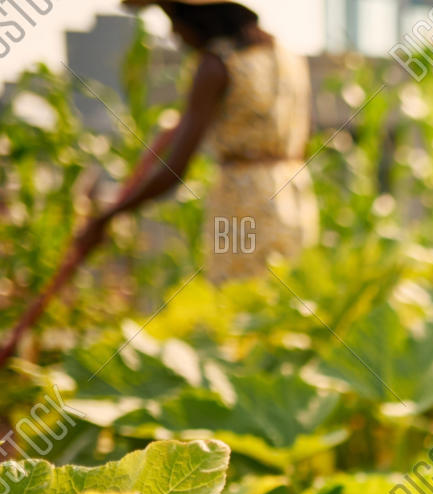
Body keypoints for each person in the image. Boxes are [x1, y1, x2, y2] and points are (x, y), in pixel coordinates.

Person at [76, 1, 317, 283]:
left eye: (173, 18)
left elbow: (175, 170)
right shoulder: (288, 57)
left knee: (238, 307)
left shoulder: (216, 66)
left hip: (244, 203)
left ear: (198, 16)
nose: (174, 32)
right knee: (283, 302)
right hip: (295, 196)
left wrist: (107, 218)